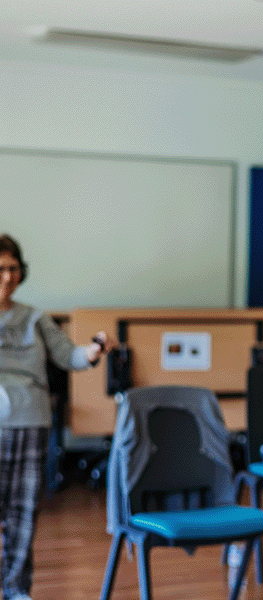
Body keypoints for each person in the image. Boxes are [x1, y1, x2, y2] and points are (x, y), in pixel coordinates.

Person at [0, 233, 109, 600]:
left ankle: (15, 588)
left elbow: (69, 356)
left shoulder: (35, 318)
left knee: (23, 509)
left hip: (29, 419)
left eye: (13, 269)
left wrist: (92, 352)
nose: (7, 277)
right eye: (0, 269)